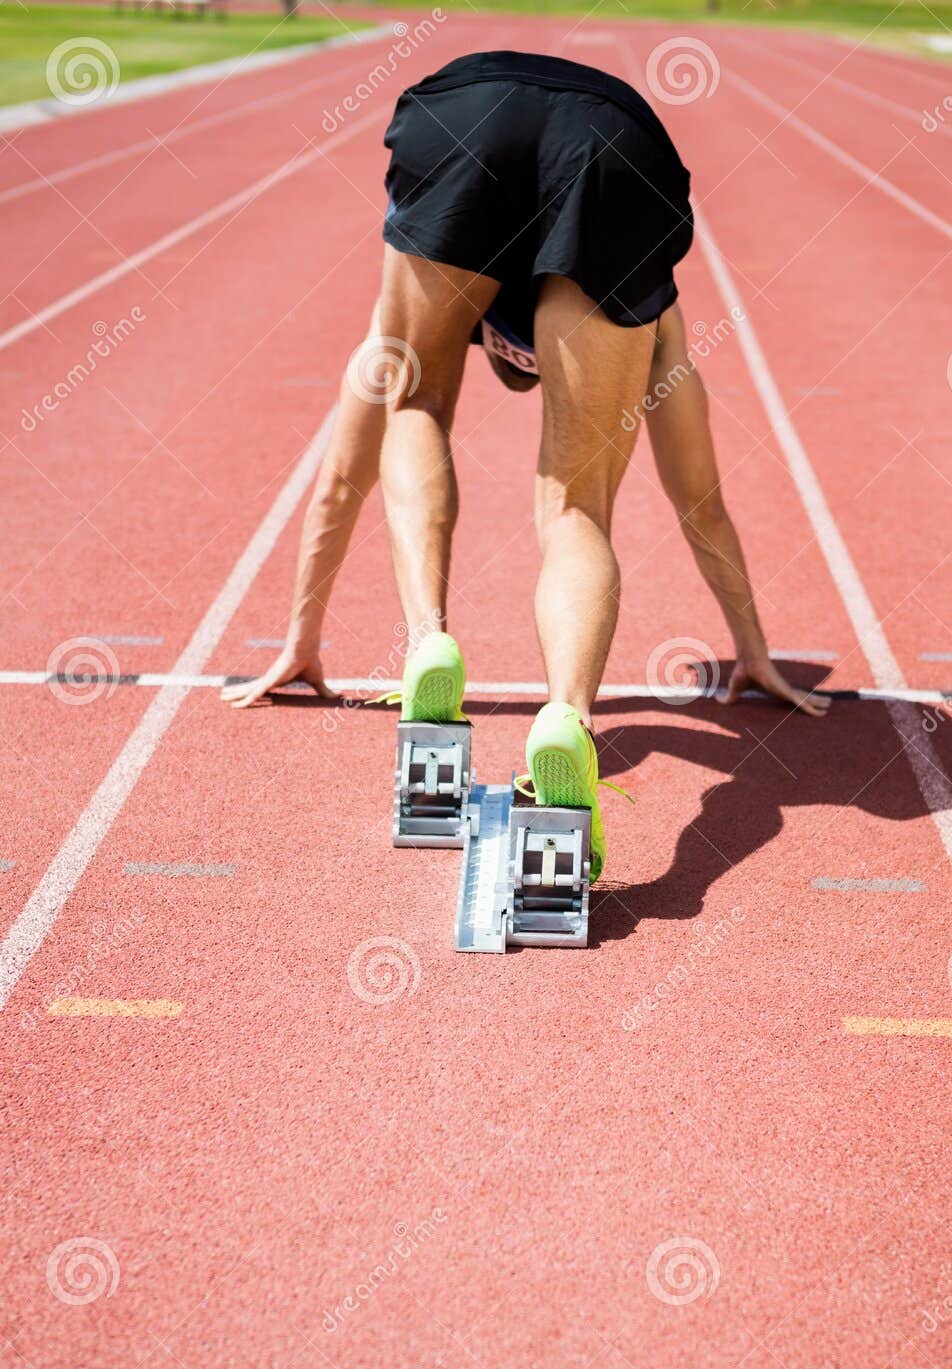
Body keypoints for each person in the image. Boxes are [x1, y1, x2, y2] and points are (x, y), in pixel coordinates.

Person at [223, 51, 828, 880]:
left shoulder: (403, 319)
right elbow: (699, 499)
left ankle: (430, 641)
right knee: (577, 508)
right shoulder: (664, 329)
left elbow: (342, 477)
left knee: (414, 406)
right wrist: (750, 645)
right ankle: (566, 718)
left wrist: (304, 633)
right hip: (618, 143)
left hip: (464, 110)